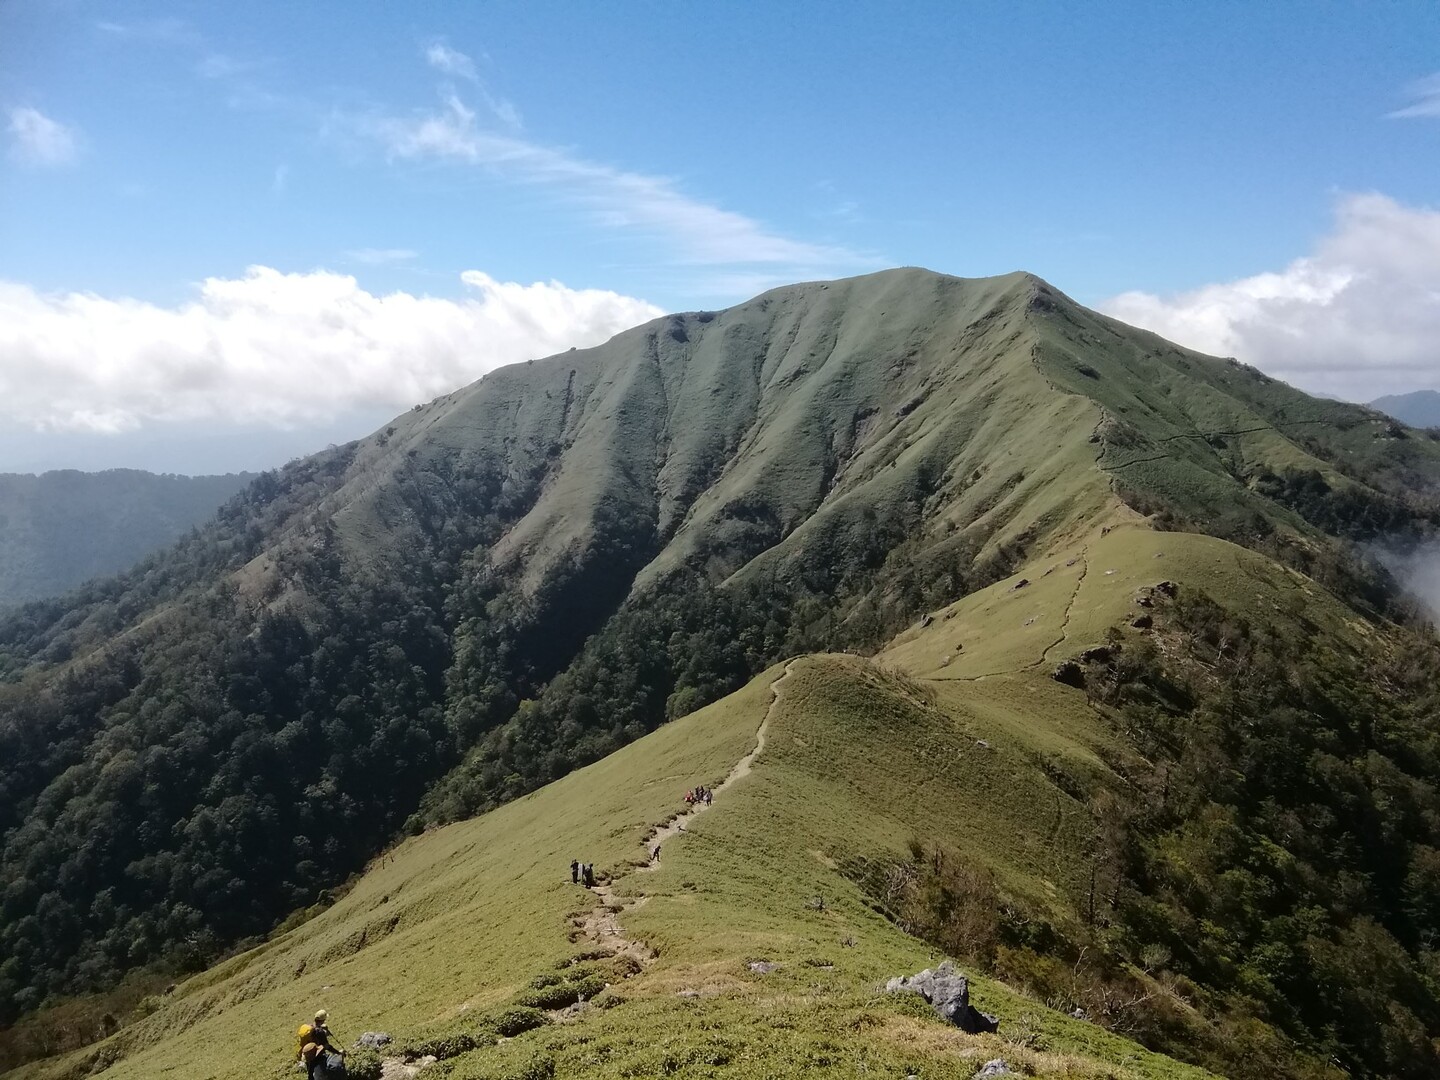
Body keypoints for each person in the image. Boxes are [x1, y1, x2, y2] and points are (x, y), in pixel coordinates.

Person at [298, 1009, 344, 1079]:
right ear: (323, 1020)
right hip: (317, 1056)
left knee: (311, 1072)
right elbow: (327, 1046)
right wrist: (338, 1053)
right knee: (323, 1073)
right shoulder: (320, 1031)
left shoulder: (311, 1027)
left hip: (309, 1055)